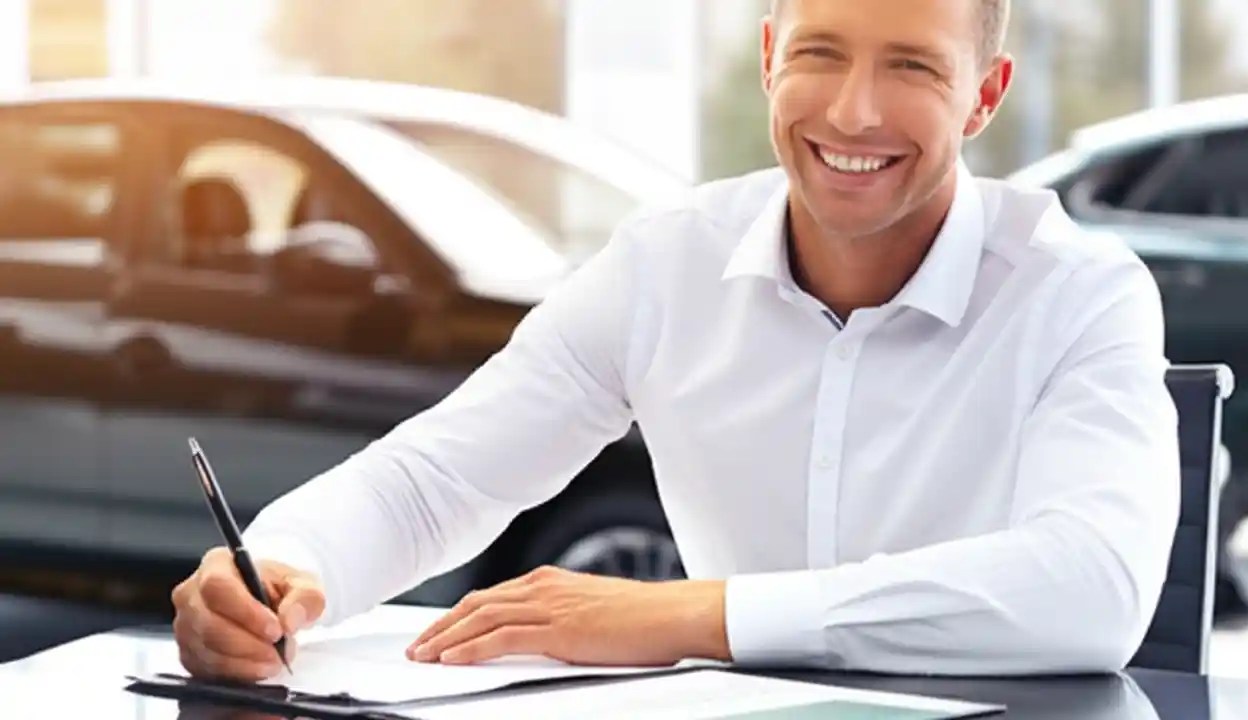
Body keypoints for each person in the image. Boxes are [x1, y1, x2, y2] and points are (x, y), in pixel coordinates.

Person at [172, 0, 1179, 680]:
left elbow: (1090, 589)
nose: (852, 110)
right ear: (768, 55)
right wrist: (279, 567)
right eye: (819, 51)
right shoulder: (665, 264)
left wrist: (688, 616)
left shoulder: (1078, 292)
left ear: (985, 94)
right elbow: (433, 482)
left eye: (910, 65)